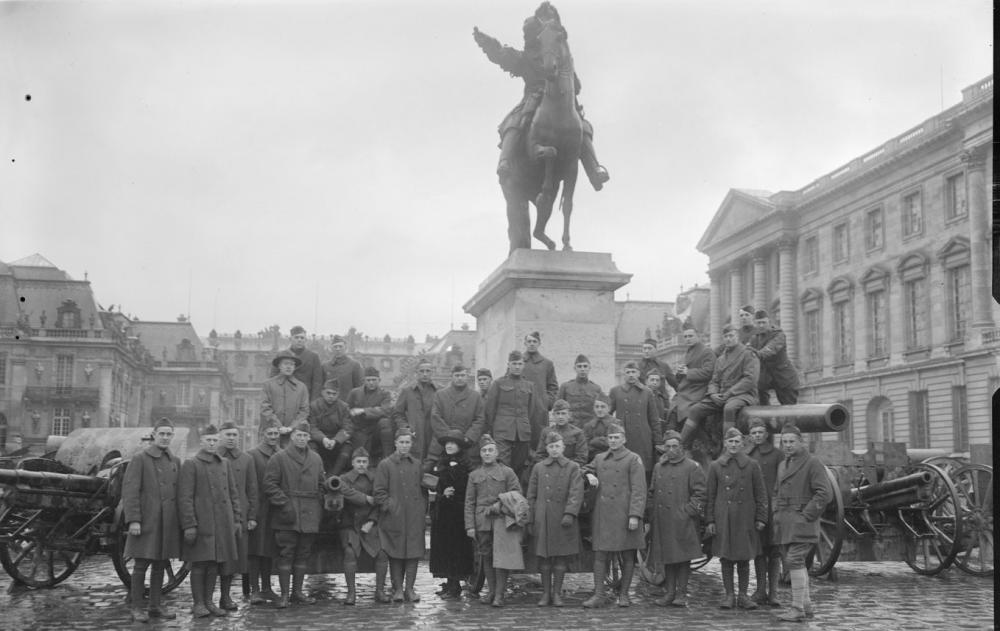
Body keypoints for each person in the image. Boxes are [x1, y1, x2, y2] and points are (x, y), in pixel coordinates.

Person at [472, 2, 609, 191]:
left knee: (582, 127)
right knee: (515, 122)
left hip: (562, 98)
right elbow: (502, 55)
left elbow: (576, 86)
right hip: (534, 97)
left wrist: (567, 81)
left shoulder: (560, 54)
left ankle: (594, 169)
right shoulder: (526, 58)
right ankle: (505, 161)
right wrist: (486, 42)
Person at [122, 417, 182, 622]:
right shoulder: (141, 459)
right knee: (141, 565)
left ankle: (155, 606)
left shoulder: (175, 461)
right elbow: (130, 491)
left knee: (160, 564)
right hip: (147, 520)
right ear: (154, 435)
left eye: (168, 434)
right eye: (161, 433)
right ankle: (136, 607)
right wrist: (134, 520)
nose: (165, 437)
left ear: (172, 436)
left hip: (167, 521)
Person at [178, 425, 242, 618]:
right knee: (199, 564)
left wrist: (236, 519)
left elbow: (233, 494)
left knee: (214, 564)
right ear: (201, 442)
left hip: (222, 522)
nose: (212, 443)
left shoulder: (224, 464)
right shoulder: (191, 464)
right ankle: (198, 603)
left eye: (215, 440)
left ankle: (209, 602)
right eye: (209, 440)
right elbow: (185, 497)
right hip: (202, 522)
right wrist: (189, 524)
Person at [582, 423, 646, 608]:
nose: (613, 441)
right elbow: (583, 469)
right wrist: (588, 475)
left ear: (624, 439)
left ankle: (624, 595)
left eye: (617, 437)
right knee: (600, 555)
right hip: (603, 515)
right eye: (610, 438)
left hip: (624, 514)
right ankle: (599, 595)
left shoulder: (633, 459)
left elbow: (639, 490)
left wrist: (635, 515)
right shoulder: (600, 458)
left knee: (627, 555)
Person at [773, 425, 832, 622]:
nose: (788, 445)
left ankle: (797, 608)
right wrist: (775, 511)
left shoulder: (812, 463)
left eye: (792, 441)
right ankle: (806, 606)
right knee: (795, 562)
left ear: (801, 442)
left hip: (802, 522)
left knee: (794, 560)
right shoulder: (783, 465)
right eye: (784, 442)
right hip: (785, 522)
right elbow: (776, 492)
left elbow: (824, 493)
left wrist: (806, 515)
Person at [263, 421, 325, 609]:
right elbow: (269, 485)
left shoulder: (316, 458)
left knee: (303, 554)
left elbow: (321, 484)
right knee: (286, 554)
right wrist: (284, 504)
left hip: (310, 514)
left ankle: (297, 593)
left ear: (309, 438)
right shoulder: (279, 458)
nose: (302, 439)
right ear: (292, 436)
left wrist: (318, 505)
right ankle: (284, 595)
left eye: (305, 436)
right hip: (287, 514)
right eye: (298, 435)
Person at [706, 428, 768, 610]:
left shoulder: (752, 465)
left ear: (742, 444)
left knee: (743, 558)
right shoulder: (715, 466)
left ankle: (743, 595)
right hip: (724, 517)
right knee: (725, 558)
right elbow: (710, 496)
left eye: (737, 442)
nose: (733, 445)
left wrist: (761, 517)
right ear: (725, 443)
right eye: (730, 441)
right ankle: (729, 595)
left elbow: (761, 493)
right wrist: (710, 520)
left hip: (745, 517)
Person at [648, 430, 706, 608]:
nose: (671, 450)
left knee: (682, 558)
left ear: (681, 447)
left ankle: (681, 593)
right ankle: (669, 593)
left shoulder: (692, 467)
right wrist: (652, 516)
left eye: (675, 446)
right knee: (668, 558)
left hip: (683, 521)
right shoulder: (659, 467)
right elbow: (652, 492)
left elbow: (700, 494)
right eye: (668, 447)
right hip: (664, 521)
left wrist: (687, 512)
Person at [527, 431, 583, 607]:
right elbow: (531, 495)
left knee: (560, 558)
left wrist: (569, 514)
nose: (554, 449)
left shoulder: (572, 467)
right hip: (543, 518)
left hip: (563, 518)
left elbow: (576, 493)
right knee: (544, 560)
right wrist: (531, 517)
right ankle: (545, 594)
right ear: (546, 448)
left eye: (557, 446)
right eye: (551, 446)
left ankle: (557, 593)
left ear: (563, 447)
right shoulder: (539, 467)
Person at [464, 435, 522, 607]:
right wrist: (470, 526)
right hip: (482, 522)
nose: (487, 453)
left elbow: (516, 494)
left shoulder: (507, 472)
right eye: (484, 450)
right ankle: (491, 591)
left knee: (501, 557)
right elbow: (469, 502)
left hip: (502, 520)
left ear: (497, 453)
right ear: (480, 454)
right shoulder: (474, 475)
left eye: (490, 450)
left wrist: (499, 505)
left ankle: (499, 594)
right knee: (487, 556)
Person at [683, 324, 759, 451]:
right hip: (722, 396)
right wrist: (713, 394)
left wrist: (729, 393)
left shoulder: (748, 354)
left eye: (731, 336)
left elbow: (750, 379)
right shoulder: (721, 359)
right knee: (695, 409)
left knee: (729, 408)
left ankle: (727, 448)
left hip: (743, 394)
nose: (728, 339)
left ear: (737, 336)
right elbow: (714, 381)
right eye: (726, 336)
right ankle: (680, 442)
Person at [374, 428, 427, 602]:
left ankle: (409, 589)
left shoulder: (417, 464)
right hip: (394, 517)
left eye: (407, 442)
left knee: (413, 552)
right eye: (401, 442)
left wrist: (421, 509)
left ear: (411, 444)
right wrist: (391, 506)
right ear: (395, 443)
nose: (404, 445)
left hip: (414, 516)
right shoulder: (385, 465)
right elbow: (379, 492)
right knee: (395, 551)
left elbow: (423, 489)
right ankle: (397, 589)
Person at [484, 350, 547, 483]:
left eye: (519, 364)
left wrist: (525, 427)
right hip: (502, 432)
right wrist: (494, 430)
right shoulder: (499, 384)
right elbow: (490, 410)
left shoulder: (529, 386)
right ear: (508, 364)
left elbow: (532, 411)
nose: (517, 367)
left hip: (522, 433)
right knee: (502, 466)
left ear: (523, 365)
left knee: (520, 467)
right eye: (514, 363)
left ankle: (515, 493)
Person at [338, 447, 389, 604]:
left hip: (369, 524)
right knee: (349, 552)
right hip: (350, 525)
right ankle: (351, 593)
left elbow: (379, 502)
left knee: (382, 553)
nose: (361, 464)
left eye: (364, 461)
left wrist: (372, 521)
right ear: (352, 463)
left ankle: (379, 591)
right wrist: (365, 498)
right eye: (358, 461)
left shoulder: (374, 479)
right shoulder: (343, 479)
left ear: (368, 463)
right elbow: (345, 494)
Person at [217, 421, 258, 612]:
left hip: (238, 516)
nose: (231, 438)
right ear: (220, 436)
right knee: (211, 559)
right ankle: (204, 599)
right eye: (228, 435)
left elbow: (252, 489)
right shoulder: (213, 457)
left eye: (234, 435)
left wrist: (252, 516)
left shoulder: (246, 459)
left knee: (233, 559)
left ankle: (225, 597)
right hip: (216, 516)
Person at [429, 431, 475, 598]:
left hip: (457, 514)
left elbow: (467, 488)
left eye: (453, 443)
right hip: (442, 512)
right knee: (444, 548)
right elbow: (433, 484)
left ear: (460, 446)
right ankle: (449, 582)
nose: (449, 446)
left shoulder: (465, 465)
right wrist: (441, 494)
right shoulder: (440, 462)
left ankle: (455, 585)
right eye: (447, 443)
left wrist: (453, 493)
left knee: (456, 548)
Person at [746, 418, 783, 607]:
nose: (757, 436)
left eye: (760, 432)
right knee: (759, 551)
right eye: (754, 433)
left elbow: (783, 481)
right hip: (755, 509)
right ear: (750, 436)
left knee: (774, 551)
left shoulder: (777, 455)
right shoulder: (747, 456)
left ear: (767, 434)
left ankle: (774, 592)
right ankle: (760, 590)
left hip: (774, 509)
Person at [247, 420, 281, 604]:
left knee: (269, 549)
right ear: (262, 434)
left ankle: (267, 589)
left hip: (275, 508)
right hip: (258, 507)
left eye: (276, 433)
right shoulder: (253, 455)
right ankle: (255, 590)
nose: (273, 437)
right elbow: (250, 484)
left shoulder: (281, 454)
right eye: (270, 433)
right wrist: (251, 512)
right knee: (255, 550)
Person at [428, 364, 486, 471]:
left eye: (462, 375)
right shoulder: (440, 395)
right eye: (457, 375)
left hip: (467, 445)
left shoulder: (475, 396)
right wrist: (449, 437)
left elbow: (480, 419)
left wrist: (468, 437)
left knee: (469, 474)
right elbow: (435, 417)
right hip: (442, 444)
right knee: (434, 473)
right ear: (452, 377)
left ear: (467, 376)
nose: (460, 378)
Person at [608, 360, 661, 474]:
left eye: (633, 372)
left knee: (642, 470)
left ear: (639, 374)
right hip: (624, 438)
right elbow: (608, 415)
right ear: (623, 374)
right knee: (623, 470)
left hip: (643, 438)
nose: (631, 375)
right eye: (628, 372)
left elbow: (654, 419)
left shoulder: (647, 392)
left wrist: (657, 442)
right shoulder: (615, 391)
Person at [392, 358, 438, 469]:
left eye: (428, 371)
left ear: (432, 372)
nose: (425, 374)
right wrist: (406, 428)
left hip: (433, 434)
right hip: (414, 435)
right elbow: (398, 413)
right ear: (416, 373)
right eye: (421, 371)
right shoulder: (407, 391)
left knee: (432, 465)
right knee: (413, 465)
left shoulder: (439, 391)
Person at [750, 309, 800, 405]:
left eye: (764, 322)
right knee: (760, 405)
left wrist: (757, 354)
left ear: (769, 322)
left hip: (784, 377)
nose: (761, 325)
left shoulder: (779, 334)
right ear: (755, 324)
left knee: (789, 409)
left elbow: (771, 349)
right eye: (759, 323)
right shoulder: (754, 339)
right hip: (765, 378)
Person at [261, 350, 310, 447]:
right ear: (279, 366)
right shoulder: (268, 385)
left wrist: (291, 428)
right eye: (285, 364)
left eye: (292, 364)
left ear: (294, 367)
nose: (289, 367)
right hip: (272, 434)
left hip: (293, 435)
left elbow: (304, 411)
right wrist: (279, 427)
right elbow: (265, 408)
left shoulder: (301, 387)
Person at [672, 327, 716, 432]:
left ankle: (685, 438)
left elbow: (709, 373)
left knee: (685, 411)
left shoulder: (707, 352)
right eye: (685, 336)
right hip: (687, 390)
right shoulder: (688, 352)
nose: (688, 339)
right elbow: (682, 376)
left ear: (698, 336)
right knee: (671, 410)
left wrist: (688, 372)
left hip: (699, 390)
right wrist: (679, 372)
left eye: (690, 336)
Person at [345, 367, 393, 461]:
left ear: (379, 380)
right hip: (359, 430)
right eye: (368, 380)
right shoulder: (355, 393)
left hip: (375, 430)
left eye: (374, 380)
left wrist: (363, 410)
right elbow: (346, 412)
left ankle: (387, 458)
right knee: (359, 457)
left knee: (385, 422)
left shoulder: (385, 394)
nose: (371, 383)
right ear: (364, 380)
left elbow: (385, 410)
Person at [308, 379, 353, 474]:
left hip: (336, 440)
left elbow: (347, 428)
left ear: (338, 394)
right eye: (328, 393)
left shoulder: (344, 407)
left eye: (334, 394)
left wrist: (335, 440)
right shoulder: (314, 406)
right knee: (311, 449)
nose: (331, 396)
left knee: (346, 451)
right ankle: (319, 473)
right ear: (322, 392)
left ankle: (333, 476)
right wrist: (323, 439)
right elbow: (312, 427)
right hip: (320, 440)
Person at [269, 325, 324, 401]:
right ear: (290, 339)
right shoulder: (281, 355)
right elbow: (273, 377)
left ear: (305, 340)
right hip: (284, 397)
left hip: (305, 398)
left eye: (302, 338)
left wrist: (313, 401)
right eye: (296, 337)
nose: (299, 340)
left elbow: (317, 382)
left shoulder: (313, 357)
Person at [556, 354, 605, 428]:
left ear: (589, 368)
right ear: (575, 368)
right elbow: (558, 408)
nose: (582, 369)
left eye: (585, 366)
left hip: (590, 428)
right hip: (570, 427)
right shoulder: (565, 387)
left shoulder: (596, 388)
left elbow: (602, 410)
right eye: (579, 366)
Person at [533, 399, 587, 466]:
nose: (560, 417)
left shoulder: (578, 433)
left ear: (569, 415)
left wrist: (567, 468)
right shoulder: (546, 432)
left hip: (569, 469)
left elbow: (581, 458)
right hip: (549, 468)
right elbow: (540, 455)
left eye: (563, 413)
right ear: (553, 415)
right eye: (558, 413)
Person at [521, 331, 559, 417]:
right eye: (529, 341)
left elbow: (553, 387)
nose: (532, 344)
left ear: (539, 344)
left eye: (534, 341)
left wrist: (547, 403)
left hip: (540, 409)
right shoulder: (517, 363)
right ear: (525, 343)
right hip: (521, 408)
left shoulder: (547, 363)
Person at [322, 334, 363, 403]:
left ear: (345, 348)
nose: (338, 349)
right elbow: (321, 387)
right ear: (331, 349)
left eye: (340, 346)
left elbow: (359, 388)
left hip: (347, 404)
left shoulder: (354, 365)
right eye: (335, 347)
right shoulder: (325, 366)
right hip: (329, 404)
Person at [583, 394, 613, 459]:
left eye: (603, 407)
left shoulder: (616, 423)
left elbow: (613, 443)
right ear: (593, 408)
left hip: (611, 458)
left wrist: (594, 441)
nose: (599, 410)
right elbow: (585, 446)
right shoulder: (588, 425)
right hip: (592, 459)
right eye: (597, 407)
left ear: (609, 408)